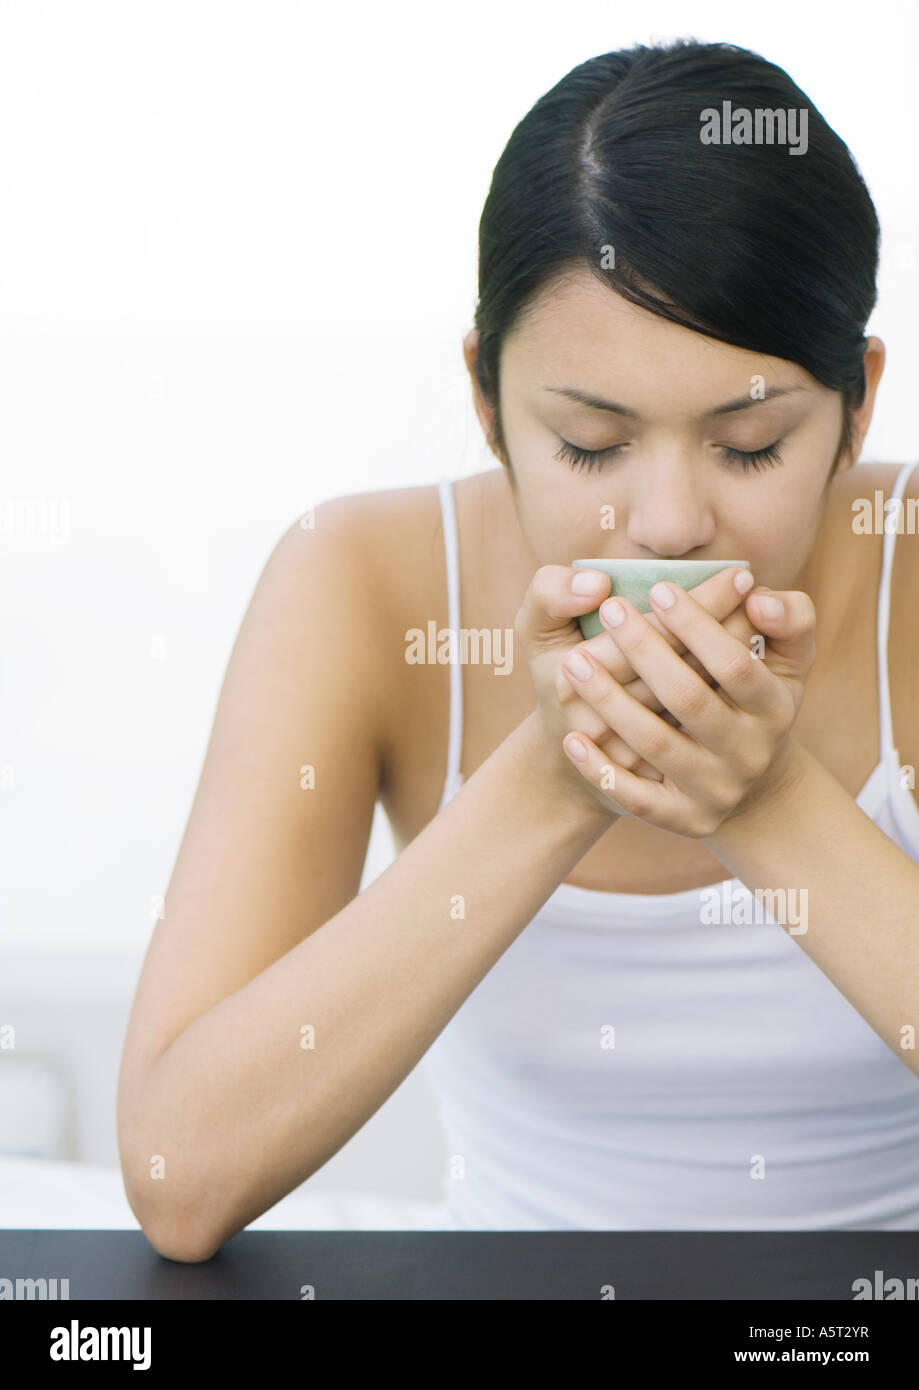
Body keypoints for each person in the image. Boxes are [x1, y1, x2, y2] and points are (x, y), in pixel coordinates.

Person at [117, 39, 919, 1261]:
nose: (666, 523)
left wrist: (764, 804)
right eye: (591, 444)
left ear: (856, 405)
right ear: (488, 404)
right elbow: (180, 1178)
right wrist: (554, 774)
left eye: (748, 443)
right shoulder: (361, 580)